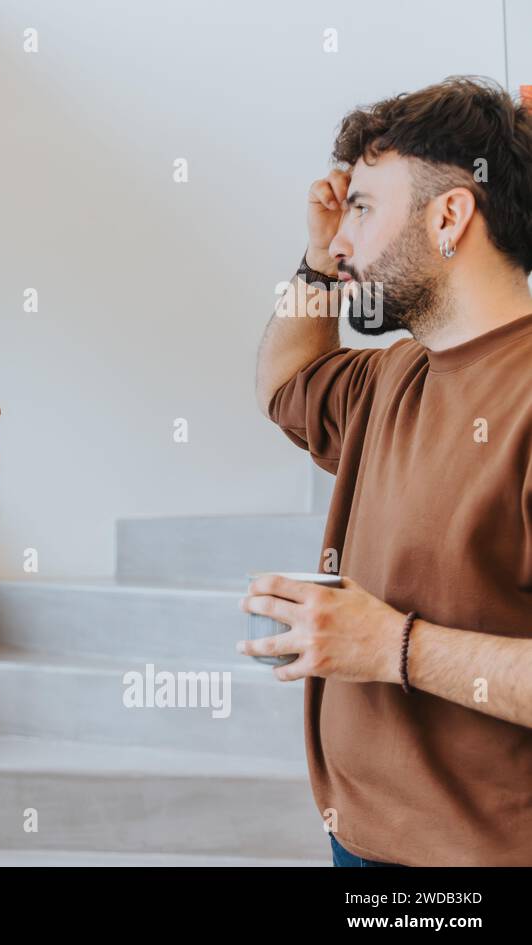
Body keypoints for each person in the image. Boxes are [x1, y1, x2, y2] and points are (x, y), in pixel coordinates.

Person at [246, 76, 532, 866]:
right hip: (360, 837)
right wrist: (313, 260)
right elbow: (284, 385)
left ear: (450, 217)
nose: (342, 240)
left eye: (363, 209)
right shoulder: (394, 374)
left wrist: (392, 647)